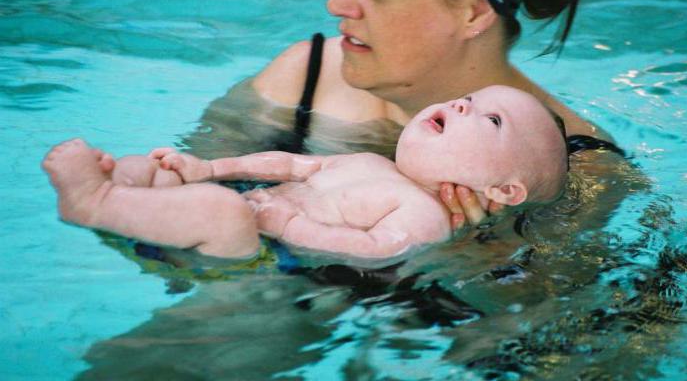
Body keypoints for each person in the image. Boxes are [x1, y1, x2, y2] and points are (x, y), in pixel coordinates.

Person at [186, 0, 627, 232]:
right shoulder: (305, 77)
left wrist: (476, 249)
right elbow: (181, 189)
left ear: (473, 10)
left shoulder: (579, 166)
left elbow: (540, 328)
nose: (337, 3)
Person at [42, 86, 568, 260]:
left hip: (252, 256)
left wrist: (289, 228)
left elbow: (372, 248)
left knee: (221, 211)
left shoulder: (427, 217)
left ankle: (93, 203)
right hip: (228, 219)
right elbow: (291, 165)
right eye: (468, 100)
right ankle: (124, 193)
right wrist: (210, 167)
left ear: (503, 191)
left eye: (490, 120)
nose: (460, 106)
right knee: (151, 168)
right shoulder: (373, 163)